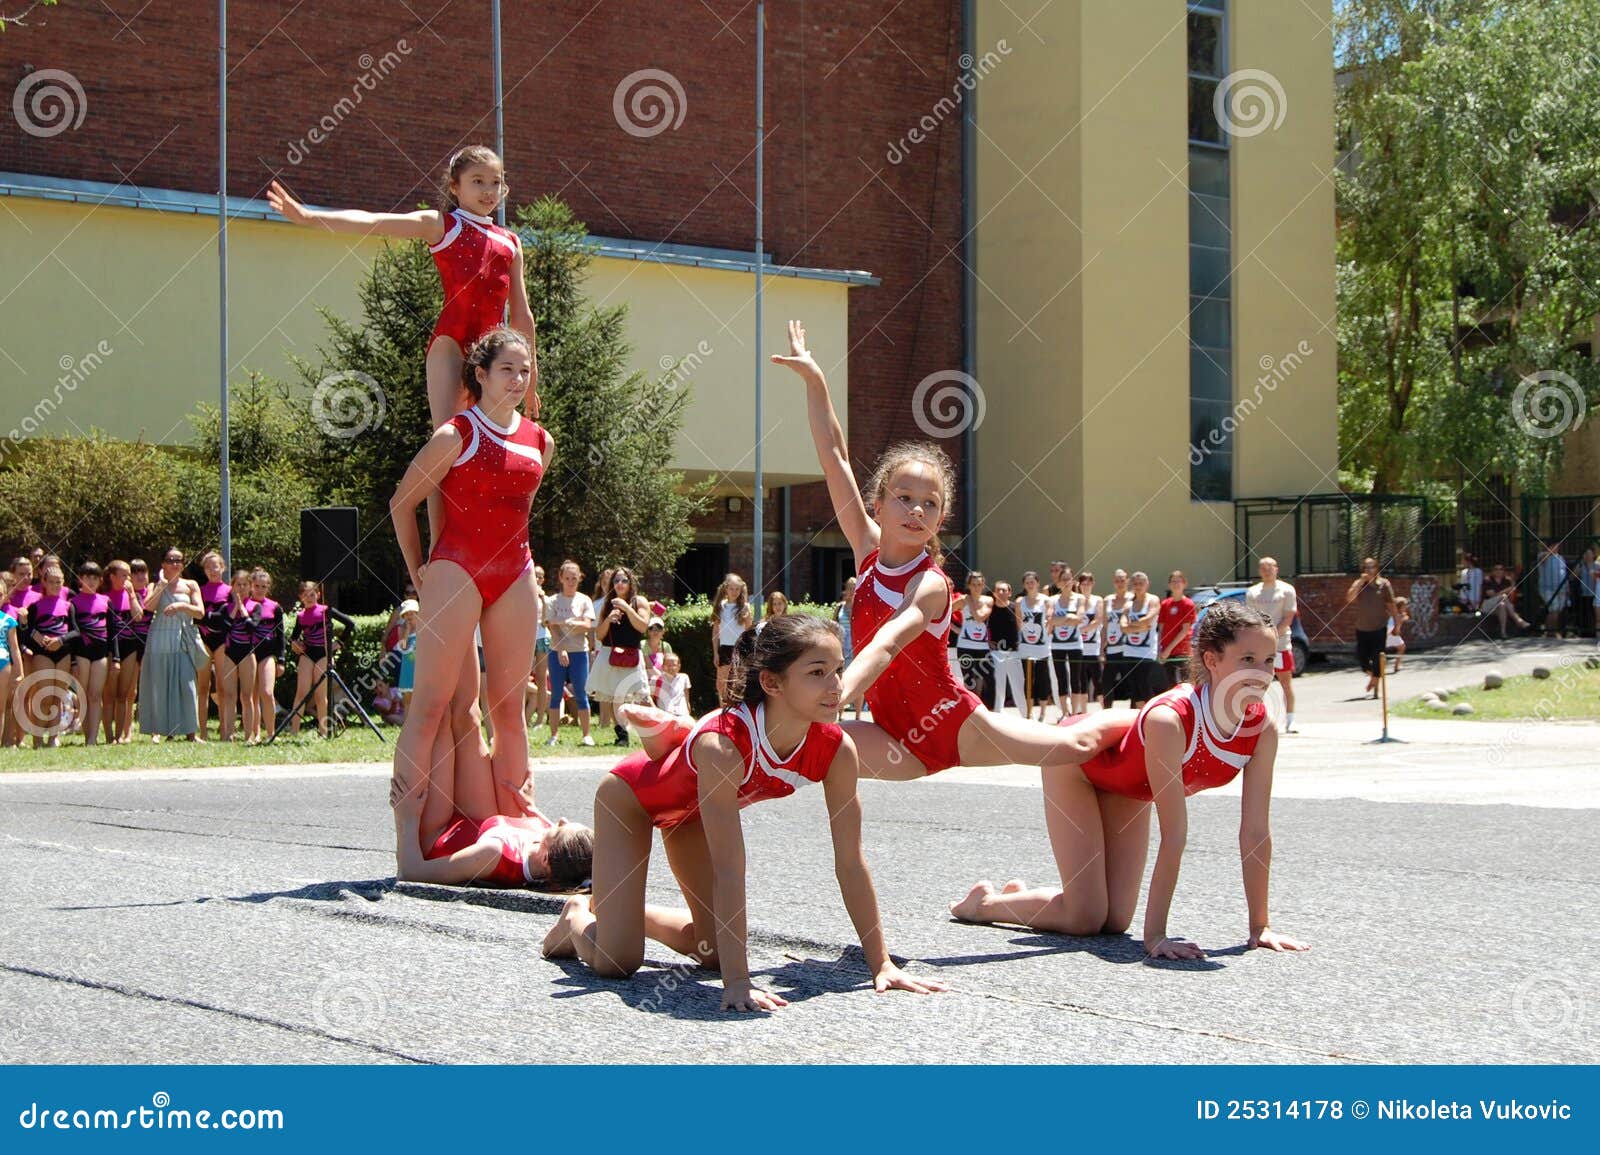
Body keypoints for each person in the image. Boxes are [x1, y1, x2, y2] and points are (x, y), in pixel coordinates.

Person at [770, 318, 1131, 781]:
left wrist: (836, 696)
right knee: (792, 739)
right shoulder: (866, 548)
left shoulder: (931, 584)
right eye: (903, 498)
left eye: (930, 504)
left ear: (941, 520)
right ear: (877, 505)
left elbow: (888, 642)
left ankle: (1157, 718)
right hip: (890, 735)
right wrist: (816, 380)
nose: (915, 510)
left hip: (953, 728)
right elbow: (835, 455)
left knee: (1076, 743)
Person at [540, 614, 947, 1010]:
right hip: (630, 802)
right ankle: (577, 914)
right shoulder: (724, 746)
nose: (836, 685)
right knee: (617, 963)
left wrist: (882, 963)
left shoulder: (837, 750)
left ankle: (620, 914)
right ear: (771, 682)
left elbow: (851, 863)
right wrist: (738, 983)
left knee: (713, 949)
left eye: (838, 669)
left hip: (691, 814)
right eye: (817, 672)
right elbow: (729, 871)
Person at [951, 601, 1309, 960]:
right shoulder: (1172, 720)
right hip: (1079, 767)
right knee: (1086, 917)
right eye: (1248, 660)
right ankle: (983, 905)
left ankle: (1016, 898)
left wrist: (1259, 926)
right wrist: (1156, 937)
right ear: (1212, 660)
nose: (1262, 673)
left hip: (1129, 786)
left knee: (1115, 921)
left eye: (1269, 661)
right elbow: (1175, 833)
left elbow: (1255, 832)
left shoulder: (1261, 729)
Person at [268, 146, 537, 554]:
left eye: (495, 182)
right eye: (477, 181)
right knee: (447, 446)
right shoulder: (441, 224)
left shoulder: (511, 242)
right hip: (452, 345)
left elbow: (521, 313)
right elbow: (375, 222)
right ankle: (441, 550)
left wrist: (530, 378)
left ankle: (488, 542)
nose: (488, 190)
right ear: (455, 185)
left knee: (492, 450)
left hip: (498, 355)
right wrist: (308, 217)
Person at [390, 327, 549, 822]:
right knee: (432, 705)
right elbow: (402, 503)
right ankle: (412, 836)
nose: (518, 379)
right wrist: (421, 569)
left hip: (515, 572)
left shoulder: (540, 441)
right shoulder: (455, 434)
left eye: (524, 370)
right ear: (479, 374)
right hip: (456, 568)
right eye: (507, 369)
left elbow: (516, 514)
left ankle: (516, 824)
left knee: (509, 710)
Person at [139, 548, 204, 743]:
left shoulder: (191, 585)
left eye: (179, 560)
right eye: (170, 560)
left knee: (187, 683)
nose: (175, 563)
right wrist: (162, 586)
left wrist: (181, 606)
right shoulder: (155, 584)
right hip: (159, 639)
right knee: (158, 684)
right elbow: (148, 607)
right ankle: (157, 732)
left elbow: (200, 612)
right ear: (163, 564)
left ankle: (191, 732)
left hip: (182, 638)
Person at [591, 566, 654, 745]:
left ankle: (660, 729)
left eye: (624, 580)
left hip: (632, 655)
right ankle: (622, 734)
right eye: (616, 580)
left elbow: (642, 626)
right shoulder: (607, 603)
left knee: (643, 696)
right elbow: (599, 635)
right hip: (610, 654)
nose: (620, 584)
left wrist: (626, 608)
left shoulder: (638, 601)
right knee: (614, 697)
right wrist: (608, 619)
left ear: (630, 583)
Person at [288, 581, 356, 738]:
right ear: (300, 597)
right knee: (301, 693)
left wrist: (339, 643)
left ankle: (324, 731)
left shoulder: (326, 611)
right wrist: (295, 644)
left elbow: (350, 624)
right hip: (307, 654)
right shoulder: (301, 616)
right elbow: (293, 638)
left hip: (323, 655)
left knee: (320, 695)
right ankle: (294, 730)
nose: (309, 598)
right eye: (305, 595)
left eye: (312, 594)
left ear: (318, 595)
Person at [27, 561, 79, 746]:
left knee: (58, 697)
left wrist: (61, 640)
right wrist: (42, 640)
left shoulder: (68, 606)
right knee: (44, 696)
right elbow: (28, 631)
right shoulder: (36, 605)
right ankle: (38, 738)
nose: (55, 586)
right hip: (43, 654)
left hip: (63, 653)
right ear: (44, 582)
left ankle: (54, 737)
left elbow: (76, 632)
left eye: (59, 582)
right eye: (52, 582)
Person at [544, 560, 596, 747]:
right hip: (557, 651)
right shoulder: (552, 601)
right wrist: (561, 648)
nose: (571, 582)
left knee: (581, 694)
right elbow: (551, 626)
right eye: (567, 578)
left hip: (579, 652)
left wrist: (569, 622)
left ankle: (586, 735)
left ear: (579, 578)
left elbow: (587, 625)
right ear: (561, 578)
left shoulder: (584, 600)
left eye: (574, 578)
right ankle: (553, 735)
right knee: (556, 693)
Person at [1245, 557, 1298, 732]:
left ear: (1276, 568)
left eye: (1270, 567)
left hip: (1281, 645)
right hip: (1258, 646)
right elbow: (1251, 617)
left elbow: (1288, 616)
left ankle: (1290, 720)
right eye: (1262, 568)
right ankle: (1257, 720)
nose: (1266, 570)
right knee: (1257, 683)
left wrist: (1273, 635)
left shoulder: (1287, 590)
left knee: (1285, 683)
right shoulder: (1252, 592)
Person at [69, 561, 111, 747]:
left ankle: (93, 738)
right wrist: (72, 661)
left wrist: (115, 657)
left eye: (95, 578)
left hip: (101, 652)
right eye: (87, 577)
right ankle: (87, 735)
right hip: (81, 653)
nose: (91, 581)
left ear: (100, 580)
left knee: (96, 695)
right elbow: (71, 632)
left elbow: (114, 631)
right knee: (83, 695)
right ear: (80, 579)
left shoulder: (106, 601)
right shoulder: (73, 603)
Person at [1344, 557, 1399, 698]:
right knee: (1362, 659)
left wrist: (1397, 624)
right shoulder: (1359, 584)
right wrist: (1361, 582)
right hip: (1362, 628)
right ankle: (1375, 678)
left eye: (1371, 567)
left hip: (1379, 627)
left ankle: (1375, 682)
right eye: (1366, 568)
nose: (1368, 570)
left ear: (1377, 568)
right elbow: (1349, 598)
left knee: (1377, 657)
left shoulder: (1384, 584)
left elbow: (1392, 606)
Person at [217, 569, 260, 743]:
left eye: (244, 585)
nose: (241, 588)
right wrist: (235, 608)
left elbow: (252, 628)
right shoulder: (225, 608)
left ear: (250, 587)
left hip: (247, 654)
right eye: (238, 585)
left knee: (246, 696)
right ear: (232, 587)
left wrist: (243, 609)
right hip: (230, 654)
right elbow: (224, 628)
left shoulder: (255, 606)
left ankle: (249, 734)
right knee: (228, 695)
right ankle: (228, 733)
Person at [194, 549, 230, 741]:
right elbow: (196, 617)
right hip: (204, 640)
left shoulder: (229, 591)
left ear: (222, 568)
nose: (212, 570)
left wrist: (209, 619)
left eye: (215, 566)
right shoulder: (199, 590)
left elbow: (228, 619)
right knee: (203, 687)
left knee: (223, 687)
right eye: (208, 567)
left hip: (222, 642)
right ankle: (203, 732)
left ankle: (225, 730)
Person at [1118, 571, 1163, 709]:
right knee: (1135, 688)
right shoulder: (1128, 604)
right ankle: (1139, 715)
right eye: (1135, 583)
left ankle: (1150, 714)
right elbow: (1123, 627)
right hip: (1129, 650)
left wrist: (1132, 625)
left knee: (1145, 685)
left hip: (1147, 651)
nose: (1138, 586)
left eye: (1141, 583)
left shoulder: (1153, 600)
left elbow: (1149, 620)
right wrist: (1140, 626)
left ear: (1147, 584)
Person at [249, 569, 285, 737]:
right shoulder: (245, 604)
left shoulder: (275, 607)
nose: (260, 589)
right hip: (249, 653)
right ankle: (255, 733)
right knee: (252, 695)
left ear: (268, 587)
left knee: (267, 692)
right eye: (256, 586)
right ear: (251, 586)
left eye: (264, 586)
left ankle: (271, 733)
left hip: (267, 653)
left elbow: (281, 636)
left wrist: (282, 660)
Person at [710, 573, 754, 704]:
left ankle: (736, 706)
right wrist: (715, 653)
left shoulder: (745, 607)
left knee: (737, 679)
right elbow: (716, 631)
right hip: (724, 647)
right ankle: (721, 707)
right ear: (726, 589)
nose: (734, 592)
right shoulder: (720, 606)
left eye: (737, 589)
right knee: (721, 681)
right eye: (731, 589)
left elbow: (749, 631)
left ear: (741, 590)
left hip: (739, 647)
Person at [1016, 571, 1053, 720]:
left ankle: (1043, 712)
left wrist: (1046, 635)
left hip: (1042, 646)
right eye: (1027, 583)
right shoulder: (1020, 601)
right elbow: (1019, 623)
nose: (1030, 585)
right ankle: (1029, 712)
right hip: (1026, 646)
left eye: (1033, 582)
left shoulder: (1045, 600)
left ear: (1037, 583)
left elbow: (1050, 618)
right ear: (1024, 585)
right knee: (1027, 680)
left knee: (1043, 678)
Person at [953, 571, 994, 704]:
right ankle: (969, 706)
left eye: (979, 584)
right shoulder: (963, 600)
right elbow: (945, 613)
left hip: (982, 646)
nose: (976, 587)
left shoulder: (988, 600)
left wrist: (970, 601)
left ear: (983, 585)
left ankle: (984, 706)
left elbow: (979, 617)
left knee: (985, 677)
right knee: (969, 679)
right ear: (968, 585)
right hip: (965, 645)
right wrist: (956, 629)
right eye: (974, 584)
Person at [988, 580, 1025, 717]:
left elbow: (1020, 626)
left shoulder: (1015, 607)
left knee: (1018, 684)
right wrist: (988, 642)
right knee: (999, 685)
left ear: (1010, 593)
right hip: (996, 652)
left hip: (1013, 651)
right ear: (994, 593)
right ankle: (998, 714)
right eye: (998, 590)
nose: (1001, 592)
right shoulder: (990, 608)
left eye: (1004, 590)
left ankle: (1025, 715)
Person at [1046, 574, 1080, 717]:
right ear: (1058, 583)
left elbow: (1079, 619)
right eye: (1063, 580)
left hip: (1076, 644)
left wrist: (1059, 620)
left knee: (1075, 678)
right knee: (1061, 679)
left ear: (1073, 581)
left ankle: (1075, 712)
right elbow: (1049, 620)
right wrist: (1068, 618)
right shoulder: (1053, 600)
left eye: (1068, 579)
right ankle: (1065, 713)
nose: (1066, 582)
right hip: (1057, 645)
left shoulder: (1080, 599)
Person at [1068, 571, 1102, 716]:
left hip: (1093, 648)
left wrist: (1082, 629)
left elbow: (1098, 620)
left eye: (1089, 583)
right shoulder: (1075, 601)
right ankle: (1083, 712)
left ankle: (1103, 709)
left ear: (1093, 584)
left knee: (1098, 681)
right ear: (1079, 585)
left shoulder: (1098, 600)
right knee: (1081, 682)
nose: (1086, 586)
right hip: (1078, 647)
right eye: (1083, 584)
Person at [1158, 570, 1196, 689]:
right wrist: (1160, 649)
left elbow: (1185, 630)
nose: (1176, 584)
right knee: (1170, 684)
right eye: (1173, 581)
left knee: (1185, 684)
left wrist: (1168, 649)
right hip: (1166, 652)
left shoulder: (1188, 604)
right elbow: (1161, 628)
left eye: (1179, 581)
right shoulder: (1165, 604)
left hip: (1182, 651)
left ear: (1184, 583)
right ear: (1169, 585)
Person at [1099, 569, 1132, 707]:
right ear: (1113, 582)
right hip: (1112, 648)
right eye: (1117, 580)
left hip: (1129, 647)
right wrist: (1101, 650)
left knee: (1131, 683)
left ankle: (1134, 714)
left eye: (1123, 580)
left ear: (1127, 581)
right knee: (1107, 683)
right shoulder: (1108, 600)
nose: (1120, 583)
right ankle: (1107, 712)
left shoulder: (1133, 598)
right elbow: (1105, 626)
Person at [1535, 539, 1570, 639]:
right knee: (1553, 609)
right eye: (1554, 546)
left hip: (1561, 589)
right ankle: (1553, 631)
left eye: (1557, 546)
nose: (1556, 548)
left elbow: (1564, 573)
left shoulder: (1561, 558)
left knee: (1556, 611)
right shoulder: (1542, 555)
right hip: (1547, 589)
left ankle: (1549, 631)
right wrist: (1549, 551)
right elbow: (1542, 560)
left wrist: (1567, 587)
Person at [394, 599, 420, 711]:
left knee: (420, 698)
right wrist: (407, 631)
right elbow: (402, 647)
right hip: (408, 668)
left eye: (412, 613)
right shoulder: (402, 629)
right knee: (407, 700)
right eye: (406, 614)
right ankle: (407, 725)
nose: (409, 616)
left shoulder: (423, 628)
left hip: (419, 668)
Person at [653, 651, 691, 718]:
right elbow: (651, 697)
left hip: (681, 714)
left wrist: (688, 706)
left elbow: (686, 695)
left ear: (679, 666)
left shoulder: (684, 678)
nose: (671, 668)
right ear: (663, 666)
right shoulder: (656, 680)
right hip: (663, 716)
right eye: (668, 665)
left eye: (674, 665)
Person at [1577, 546, 1598, 639]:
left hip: (1594, 593)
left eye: (1590, 554)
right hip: (1583, 594)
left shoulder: (1597, 565)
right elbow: (1572, 576)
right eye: (1586, 554)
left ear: (1593, 555)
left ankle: (1593, 633)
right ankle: (1583, 633)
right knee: (1584, 614)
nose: (1588, 556)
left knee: (1593, 615)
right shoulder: (1581, 565)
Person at [1385, 596, 1409, 672]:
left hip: (1390, 634)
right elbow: (1394, 625)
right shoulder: (1397, 616)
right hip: (1390, 634)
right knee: (1401, 647)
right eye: (1404, 606)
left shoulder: (1396, 614)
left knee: (1401, 647)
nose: (1405, 608)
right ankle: (1396, 666)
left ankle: (1396, 666)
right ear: (1400, 607)